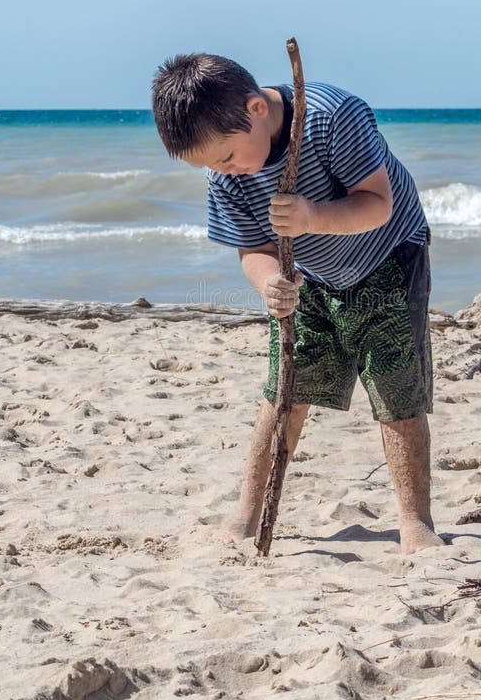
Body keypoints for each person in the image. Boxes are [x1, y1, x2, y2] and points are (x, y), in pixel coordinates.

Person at [152, 52, 443, 554]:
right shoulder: (225, 176)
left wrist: (310, 215)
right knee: (284, 391)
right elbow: (254, 249)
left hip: (389, 255)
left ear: (256, 109)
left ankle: (415, 524)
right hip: (306, 275)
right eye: (212, 166)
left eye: (226, 158)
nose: (228, 173)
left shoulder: (332, 116)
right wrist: (269, 284)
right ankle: (247, 513)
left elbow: (377, 204)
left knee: (397, 388)